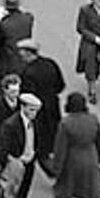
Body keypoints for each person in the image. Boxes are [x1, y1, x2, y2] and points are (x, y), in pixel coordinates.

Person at [52, 92, 100, 198]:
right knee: (89, 184)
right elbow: (99, 140)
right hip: (90, 155)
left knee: (68, 182)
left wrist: (57, 166)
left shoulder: (66, 123)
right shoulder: (93, 119)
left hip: (72, 157)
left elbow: (60, 146)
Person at [18, 40, 65, 177]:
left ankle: (52, 170)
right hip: (53, 106)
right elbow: (60, 85)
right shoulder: (50, 63)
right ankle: (58, 161)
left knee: (40, 142)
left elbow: (27, 97)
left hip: (39, 112)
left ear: (28, 53)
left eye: (22, 52)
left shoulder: (28, 72)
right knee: (54, 135)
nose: (20, 55)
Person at [0, 0, 34, 91]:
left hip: (8, 61)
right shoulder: (28, 19)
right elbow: (29, 16)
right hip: (24, 60)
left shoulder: (4, 24)